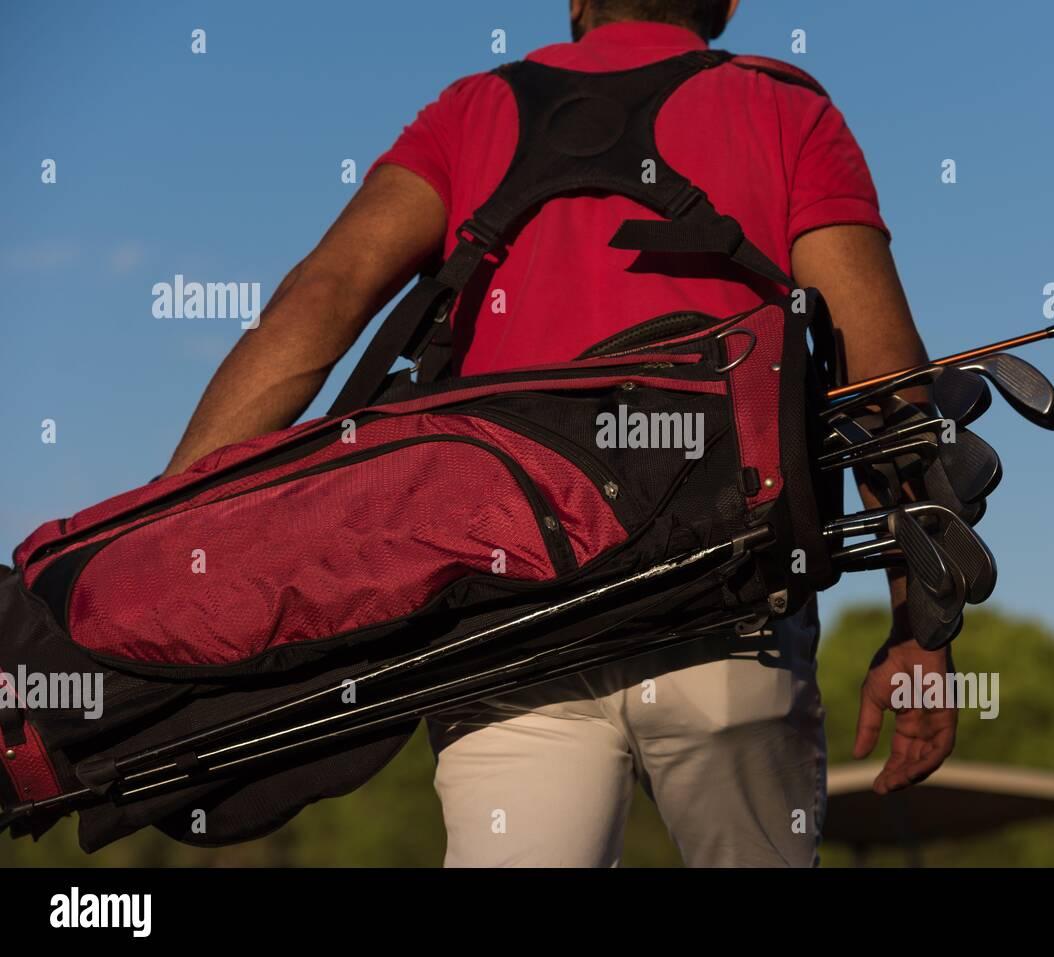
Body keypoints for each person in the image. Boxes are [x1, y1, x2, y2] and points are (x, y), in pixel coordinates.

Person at [160, 0, 957, 866]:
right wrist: (922, 625)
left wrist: (169, 543)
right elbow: (882, 379)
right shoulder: (784, 106)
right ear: (725, 3)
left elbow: (319, 300)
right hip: (729, 601)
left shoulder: (472, 111)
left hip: (510, 616)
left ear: (576, 1)